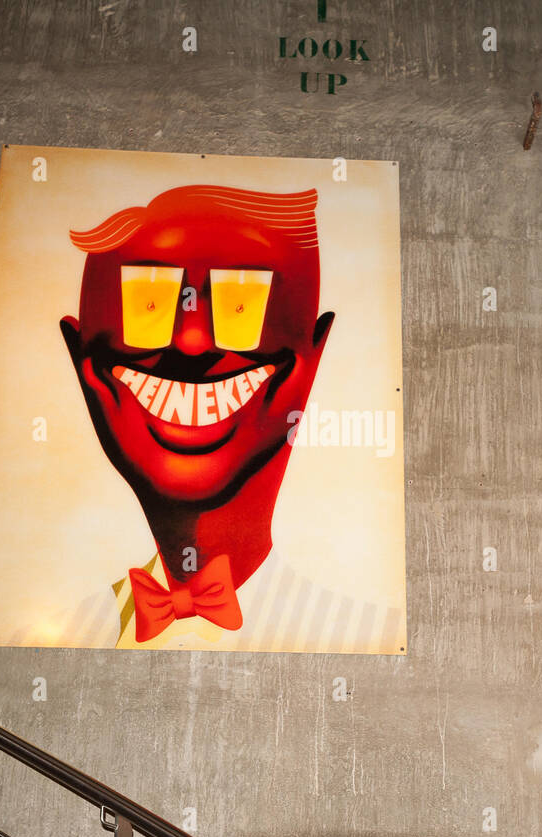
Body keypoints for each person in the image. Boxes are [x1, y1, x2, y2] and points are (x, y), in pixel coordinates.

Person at [58, 185, 336, 646]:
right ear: (80, 357)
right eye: (147, 303)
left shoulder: (348, 627)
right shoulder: (71, 624)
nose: (190, 341)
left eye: (241, 305)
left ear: (315, 351)